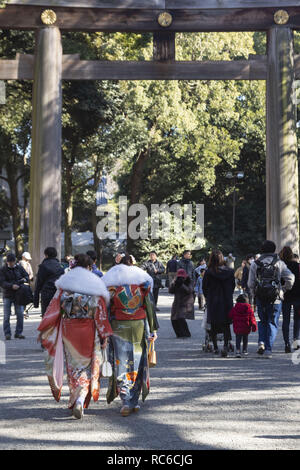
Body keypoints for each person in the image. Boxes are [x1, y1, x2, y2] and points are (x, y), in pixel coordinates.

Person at [38, 253, 112, 419]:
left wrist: (46, 329)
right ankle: (80, 398)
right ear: (89, 267)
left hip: (69, 329)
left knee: (73, 367)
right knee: (87, 365)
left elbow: (53, 309)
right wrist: (104, 334)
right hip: (88, 328)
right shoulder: (94, 284)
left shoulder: (65, 284)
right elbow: (100, 312)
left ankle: (76, 397)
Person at [102, 254, 158, 417]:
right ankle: (132, 400)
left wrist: (103, 329)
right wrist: (152, 329)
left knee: (121, 361)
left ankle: (127, 400)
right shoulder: (143, 282)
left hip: (119, 324)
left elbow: (105, 306)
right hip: (139, 324)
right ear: (133, 264)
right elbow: (150, 308)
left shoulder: (112, 283)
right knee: (138, 362)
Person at [248, 240, 295, 358]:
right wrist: (283, 289)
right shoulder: (279, 263)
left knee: (262, 321)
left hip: (260, 296)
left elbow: (250, 283)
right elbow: (290, 278)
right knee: (272, 322)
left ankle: (261, 342)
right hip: (275, 298)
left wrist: (254, 293)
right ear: (274, 250)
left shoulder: (255, 263)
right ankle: (268, 350)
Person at [202, 250, 235, 357]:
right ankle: (225, 345)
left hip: (213, 300)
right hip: (226, 300)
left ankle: (215, 346)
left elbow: (204, 287)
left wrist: (208, 297)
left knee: (214, 325)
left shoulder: (208, 272)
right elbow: (233, 286)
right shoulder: (230, 272)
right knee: (226, 324)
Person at [0, 253, 29, 340]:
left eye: (12, 262)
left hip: (18, 294)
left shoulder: (19, 267)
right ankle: (7, 334)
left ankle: (19, 332)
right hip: (7, 294)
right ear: (7, 262)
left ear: (15, 261)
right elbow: (2, 282)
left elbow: (26, 276)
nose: (11, 264)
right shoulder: (3, 269)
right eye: (10, 263)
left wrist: (24, 279)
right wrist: (11, 286)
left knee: (20, 314)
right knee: (6, 315)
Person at [279, 246, 300, 353]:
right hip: (298, 296)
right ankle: (296, 341)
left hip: (285, 296)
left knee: (285, 321)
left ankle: (287, 343)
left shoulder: (280, 266)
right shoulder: (298, 265)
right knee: (297, 320)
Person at [33, 247, 65, 316]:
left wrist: (36, 302)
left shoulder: (43, 266)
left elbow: (38, 283)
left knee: (46, 316)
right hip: (57, 294)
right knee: (56, 316)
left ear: (46, 255)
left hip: (46, 294)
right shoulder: (60, 266)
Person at [229, 294, 257, 358]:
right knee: (245, 339)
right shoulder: (249, 308)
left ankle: (238, 351)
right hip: (246, 327)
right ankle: (244, 350)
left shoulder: (235, 308)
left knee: (238, 338)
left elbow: (230, 315)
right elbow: (252, 318)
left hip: (237, 327)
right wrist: (254, 325)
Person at [169, 268, 195, 338]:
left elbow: (189, 290)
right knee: (173, 318)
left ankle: (186, 333)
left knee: (181, 318)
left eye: (182, 277)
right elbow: (170, 291)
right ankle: (179, 334)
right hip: (177, 301)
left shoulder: (189, 281)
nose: (180, 278)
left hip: (186, 302)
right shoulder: (176, 281)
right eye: (179, 277)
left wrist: (182, 284)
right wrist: (173, 282)